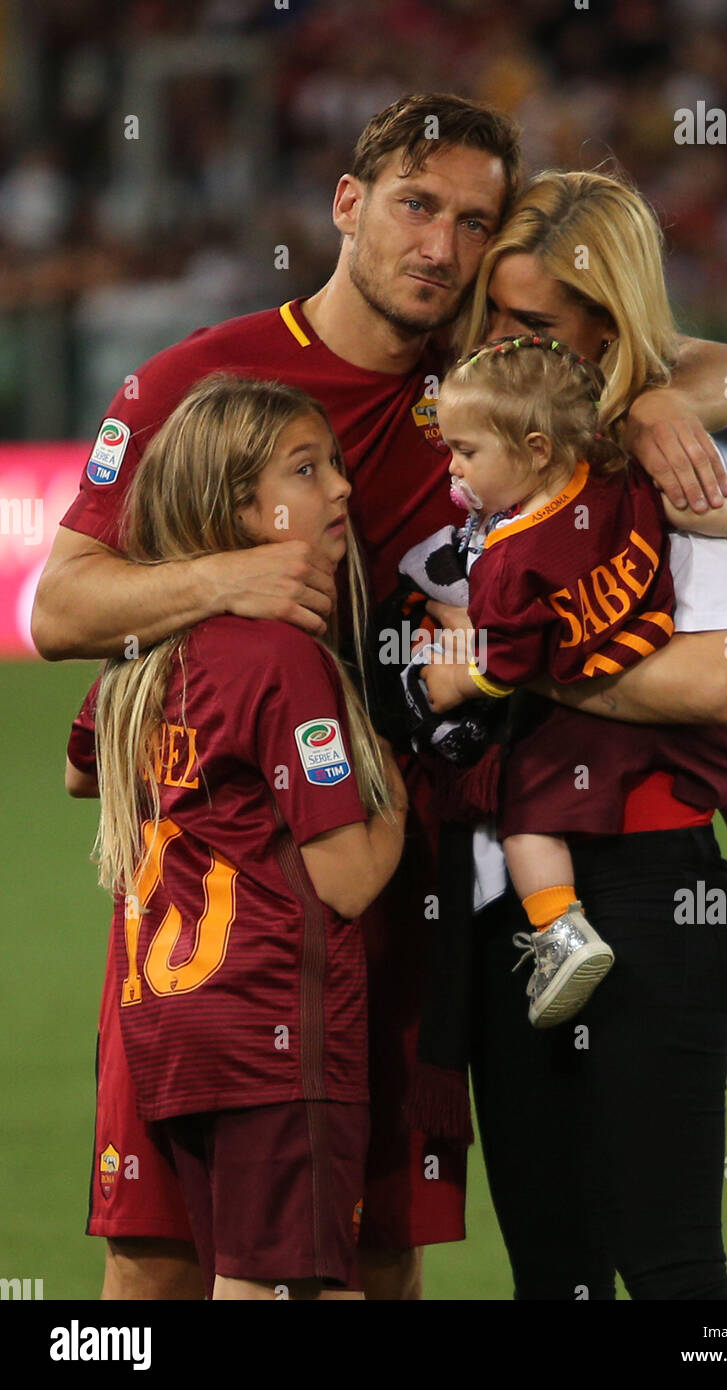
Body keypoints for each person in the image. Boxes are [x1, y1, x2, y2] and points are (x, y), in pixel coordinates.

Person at [35, 95, 727, 1300]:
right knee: (163, 1260)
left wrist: (645, 398)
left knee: (379, 1253)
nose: (440, 248)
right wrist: (235, 577)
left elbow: (708, 361)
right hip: (217, 905)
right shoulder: (202, 380)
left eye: (474, 222)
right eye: (416, 206)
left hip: (404, 889)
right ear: (347, 203)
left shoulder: (486, 391)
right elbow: (58, 611)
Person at [420, 169, 727, 1298]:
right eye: (494, 317)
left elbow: (718, 684)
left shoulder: (652, 467)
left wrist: (519, 666)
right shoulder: (470, 419)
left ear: (606, 329)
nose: (506, 344)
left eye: (535, 325)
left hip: (647, 888)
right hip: (503, 900)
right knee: (553, 1276)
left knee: (671, 1271)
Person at [69, 374, 408, 1299]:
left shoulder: (150, 654)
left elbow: (78, 766)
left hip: (166, 1034)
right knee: (287, 1284)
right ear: (244, 512)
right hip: (275, 1031)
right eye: (307, 470)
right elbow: (345, 879)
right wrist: (398, 792)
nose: (340, 487)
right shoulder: (284, 659)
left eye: (334, 463)